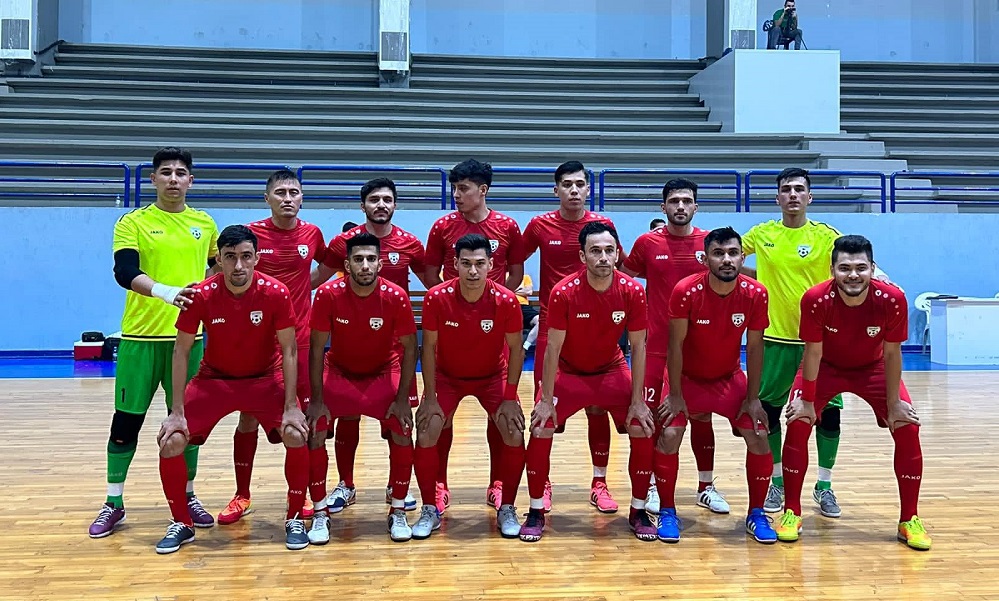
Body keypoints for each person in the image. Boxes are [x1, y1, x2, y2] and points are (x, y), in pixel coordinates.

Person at [154, 225, 310, 554]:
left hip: (265, 379)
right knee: (171, 442)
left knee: (296, 434)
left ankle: (294, 516)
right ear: (220, 260)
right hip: (215, 380)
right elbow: (180, 350)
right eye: (230, 257)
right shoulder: (201, 294)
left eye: (245, 257)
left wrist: (291, 405)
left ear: (255, 259)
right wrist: (176, 411)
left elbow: (290, 350)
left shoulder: (276, 292)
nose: (238, 266)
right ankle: (182, 523)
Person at [90, 147, 219, 538]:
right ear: (153, 179)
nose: (174, 179)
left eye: (181, 173)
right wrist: (167, 292)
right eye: (166, 172)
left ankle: (188, 497)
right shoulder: (134, 221)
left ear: (191, 181)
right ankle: (113, 502)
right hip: (140, 338)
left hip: (188, 340)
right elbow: (124, 270)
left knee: (188, 425)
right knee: (126, 422)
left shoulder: (205, 223)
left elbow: (216, 270)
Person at [777, 235, 931, 551]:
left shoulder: (892, 299)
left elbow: (891, 354)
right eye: (844, 267)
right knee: (797, 422)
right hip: (826, 367)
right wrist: (807, 401)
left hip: (873, 367)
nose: (853, 274)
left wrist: (893, 405)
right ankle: (791, 511)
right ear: (832, 270)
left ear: (872, 269)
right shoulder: (815, 299)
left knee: (908, 428)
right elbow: (813, 353)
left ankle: (909, 520)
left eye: (861, 267)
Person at [520, 222, 657, 542]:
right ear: (582, 256)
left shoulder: (632, 290)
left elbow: (639, 347)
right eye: (596, 251)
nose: (604, 257)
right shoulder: (564, 291)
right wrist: (544, 398)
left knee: (642, 425)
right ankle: (536, 509)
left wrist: (637, 400)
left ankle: (638, 510)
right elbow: (552, 347)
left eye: (610, 251)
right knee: (540, 427)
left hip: (611, 370)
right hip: (568, 372)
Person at [652, 227, 776, 544]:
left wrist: (753, 399)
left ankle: (757, 514)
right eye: (718, 253)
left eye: (732, 253)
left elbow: (757, 347)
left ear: (742, 256)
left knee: (759, 435)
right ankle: (667, 510)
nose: (726, 259)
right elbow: (675, 346)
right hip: (686, 380)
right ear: (705, 257)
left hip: (728, 379)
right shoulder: (686, 290)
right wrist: (676, 395)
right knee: (669, 433)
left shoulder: (756, 293)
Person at [218, 169, 327, 525]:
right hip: (257, 343)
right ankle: (242, 495)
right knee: (247, 416)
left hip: (302, 341)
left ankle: (306, 494)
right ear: (267, 198)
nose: (288, 198)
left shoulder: (312, 234)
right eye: (280, 192)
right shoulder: (251, 235)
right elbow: (219, 274)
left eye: (294, 192)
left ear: (302, 197)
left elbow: (326, 266)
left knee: (305, 418)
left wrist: (303, 287)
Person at [312, 178, 427, 514]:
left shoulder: (410, 244)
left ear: (395, 205)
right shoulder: (342, 244)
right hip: (349, 346)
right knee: (347, 418)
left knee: (397, 423)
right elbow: (317, 280)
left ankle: (397, 486)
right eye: (374, 199)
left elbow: (435, 285)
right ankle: (346, 485)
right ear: (363, 205)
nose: (381, 204)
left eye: (387, 199)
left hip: (392, 352)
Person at [522, 161, 628, 514]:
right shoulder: (539, 225)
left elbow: (620, 266)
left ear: (588, 189)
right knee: (544, 414)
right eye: (566, 184)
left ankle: (599, 482)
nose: (573, 190)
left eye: (579, 184)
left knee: (598, 408)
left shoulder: (603, 228)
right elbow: (512, 259)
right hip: (554, 331)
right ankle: (543, 485)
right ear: (556, 189)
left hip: (596, 326)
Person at [742, 168, 845, 518]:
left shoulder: (826, 236)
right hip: (775, 338)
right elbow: (727, 257)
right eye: (786, 190)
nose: (793, 195)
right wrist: (760, 279)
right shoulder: (762, 233)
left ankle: (824, 486)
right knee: (768, 412)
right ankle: (778, 481)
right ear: (777, 198)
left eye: (799, 189)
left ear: (810, 197)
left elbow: (850, 267)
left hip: (821, 341)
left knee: (827, 414)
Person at [424, 159, 526, 511]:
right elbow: (429, 270)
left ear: (483, 190)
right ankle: (438, 484)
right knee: (439, 420)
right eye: (454, 188)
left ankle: (498, 484)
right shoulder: (442, 226)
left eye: (463, 188)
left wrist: (495, 305)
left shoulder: (507, 226)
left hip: (492, 334)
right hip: (453, 333)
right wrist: (453, 302)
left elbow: (515, 272)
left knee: (502, 419)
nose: (456, 194)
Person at [623, 179, 729, 516]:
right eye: (673, 201)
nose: (680, 206)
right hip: (654, 348)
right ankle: (652, 484)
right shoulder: (647, 243)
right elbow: (623, 279)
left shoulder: (709, 244)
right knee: (652, 420)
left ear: (696, 206)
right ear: (663, 207)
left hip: (698, 351)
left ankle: (705, 486)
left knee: (702, 416)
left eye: (686, 201)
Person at [411, 234, 527, 539]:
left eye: (479, 264)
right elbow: (428, 348)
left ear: (491, 264)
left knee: (513, 429)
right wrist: (430, 397)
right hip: (447, 377)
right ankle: (428, 509)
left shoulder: (506, 300)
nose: (473, 271)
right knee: (427, 428)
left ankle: (508, 507)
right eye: (466, 264)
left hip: (492, 376)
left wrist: (511, 397)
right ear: (454, 265)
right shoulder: (436, 297)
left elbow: (517, 349)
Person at [305, 233, 419, 543]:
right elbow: (316, 349)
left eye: (371, 259)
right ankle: (319, 513)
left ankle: (397, 509)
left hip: (383, 371)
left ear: (380, 263)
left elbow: (410, 348)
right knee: (314, 428)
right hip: (339, 371)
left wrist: (402, 399)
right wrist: (316, 400)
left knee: (401, 426)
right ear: (347, 264)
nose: (365, 265)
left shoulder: (396, 296)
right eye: (358, 259)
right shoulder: (328, 294)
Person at [516, 275, 540, 352]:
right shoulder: (501, 275)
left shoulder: (525, 277)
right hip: (507, 306)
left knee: (540, 320)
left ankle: (525, 346)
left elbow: (528, 292)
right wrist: (520, 290)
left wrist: (510, 289)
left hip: (523, 307)